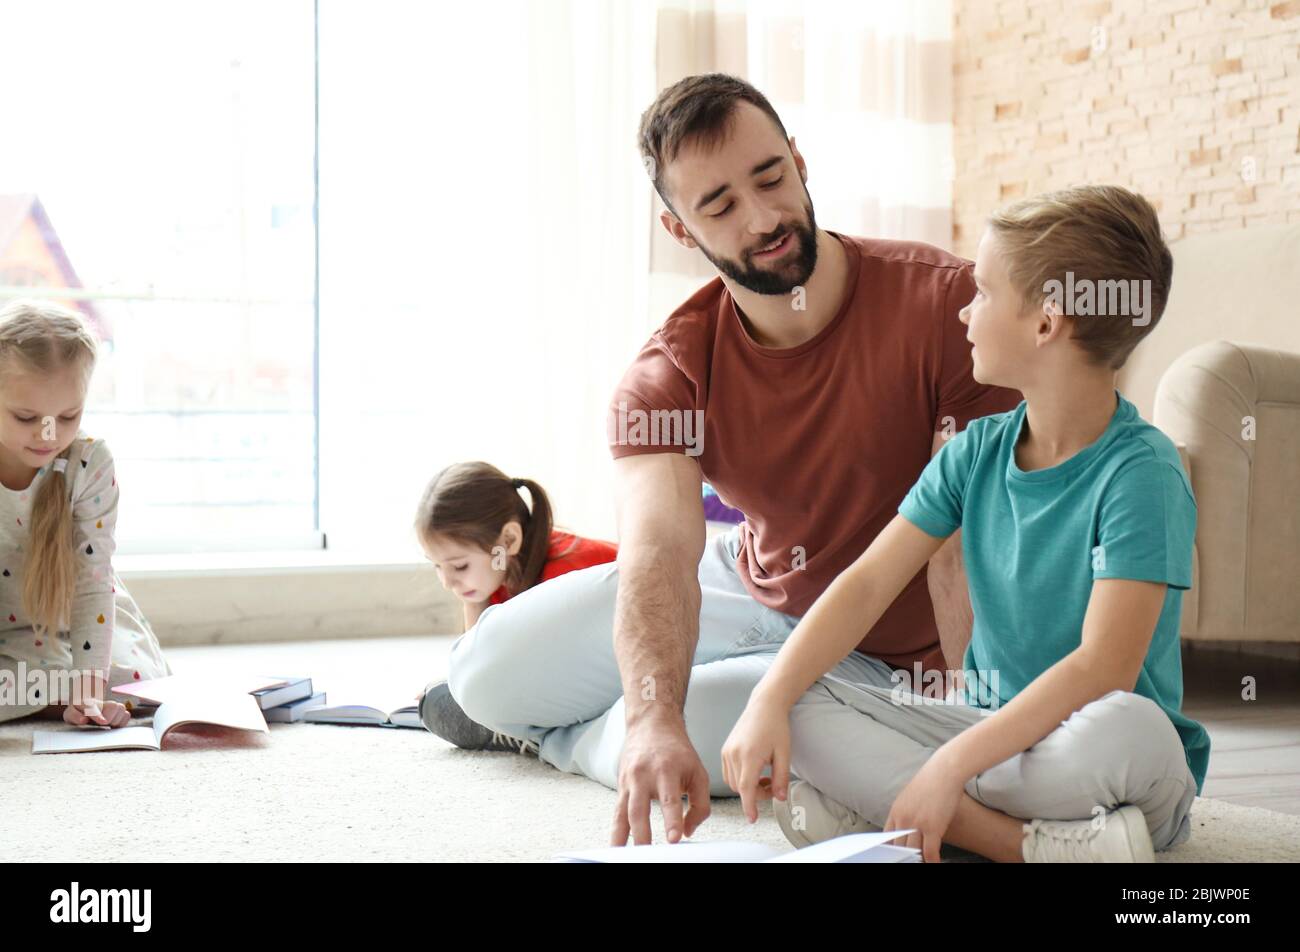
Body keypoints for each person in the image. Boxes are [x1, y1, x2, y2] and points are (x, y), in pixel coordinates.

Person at [426, 73, 1020, 846]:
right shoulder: (668, 374)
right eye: (720, 205)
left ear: (800, 163)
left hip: (886, 658)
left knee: (735, 728)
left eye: (771, 177)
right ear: (682, 231)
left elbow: (959, 544)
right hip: (748, 588)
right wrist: (650, 718)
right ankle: (608, 729)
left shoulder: (946, 306)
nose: (764, 217)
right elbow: (660, 553)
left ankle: (562, 738)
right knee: (482, 674)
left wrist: (968, 721)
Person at [722, 184, 1209, 862]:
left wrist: (947, 768)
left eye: (982, 292)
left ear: (1045, 323)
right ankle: (1027, 844)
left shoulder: (1143, 474)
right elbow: (865, 585)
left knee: (1129, 727)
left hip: (1116, 762)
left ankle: (916, 811)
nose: (963, 312)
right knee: (797, 703)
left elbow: (1103, 668)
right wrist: (768, 700)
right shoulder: (976, 451)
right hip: (993, 739)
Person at [0, 299, 170, 726]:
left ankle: (59, 696)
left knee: (134, 684)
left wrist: (88, 689)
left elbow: (94, 587)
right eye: (26, 417)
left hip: (76, 627)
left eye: (68, 415)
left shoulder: (88, 464)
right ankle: (51, 695)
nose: (48, 434)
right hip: (7, 635)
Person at [414, 461, 616, 747]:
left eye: (459, 566)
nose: (447, 582)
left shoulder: (567, 573)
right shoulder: (493, 577)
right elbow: (477, 660)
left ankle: (524, 733)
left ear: (508, 540)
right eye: (437, 566)